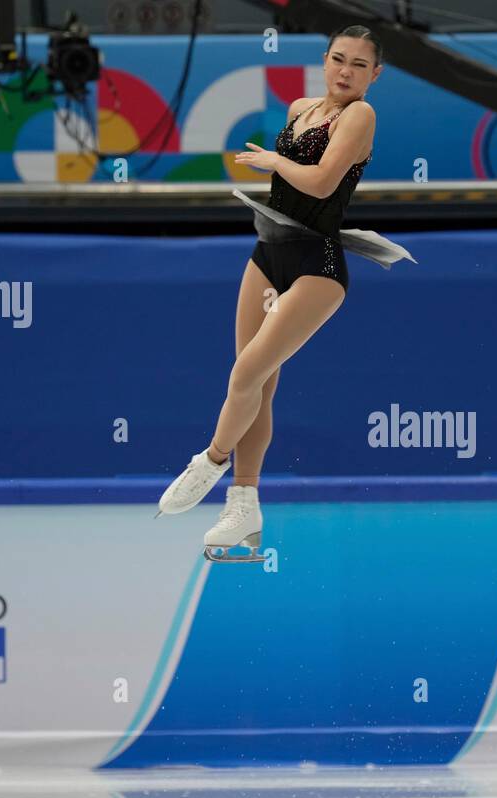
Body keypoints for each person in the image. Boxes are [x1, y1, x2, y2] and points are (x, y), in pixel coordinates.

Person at [155, 26, 384, 561]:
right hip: (268, 253)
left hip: (318, 265)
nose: (344, 71)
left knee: (244, 374)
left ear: (375, 74)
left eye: (358, 65)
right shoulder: (300, 107)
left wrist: (274, 162)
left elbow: (324, 183)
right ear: (325, 60)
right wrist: (277, 167)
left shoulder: (360, 117)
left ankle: (209, 463)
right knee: (257, 381)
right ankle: (244, 503)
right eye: (337, 59)